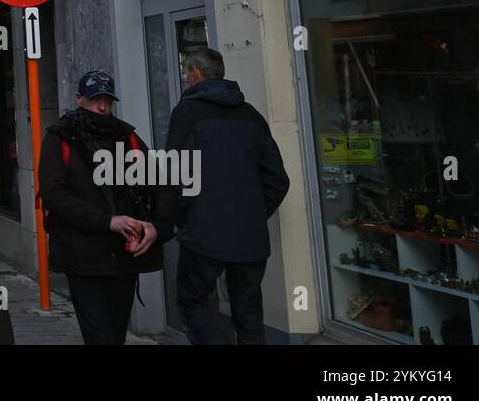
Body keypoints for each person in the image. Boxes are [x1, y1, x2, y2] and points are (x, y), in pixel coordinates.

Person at [160, 47, 290, 345]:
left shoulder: (188, 112)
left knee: (193, 304)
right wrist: (254, 213)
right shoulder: (251, 115)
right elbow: (278, 180)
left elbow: (175, 175)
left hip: (204, 234)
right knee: (249, 313)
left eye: (186, 73)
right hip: (250, 237)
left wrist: (183, 218)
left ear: (194, 74)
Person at [37, 70, 171, 345]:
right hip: (83, 258)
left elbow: (162, 186)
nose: (102, 107)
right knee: (100, 337)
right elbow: (54, 194)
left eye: (107, 100)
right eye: (95, 99)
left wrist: (157, 227)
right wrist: (106, 221)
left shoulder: (127, 137)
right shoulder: (60, 137)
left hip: (124, 259)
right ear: (79, 99)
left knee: (115, 335)